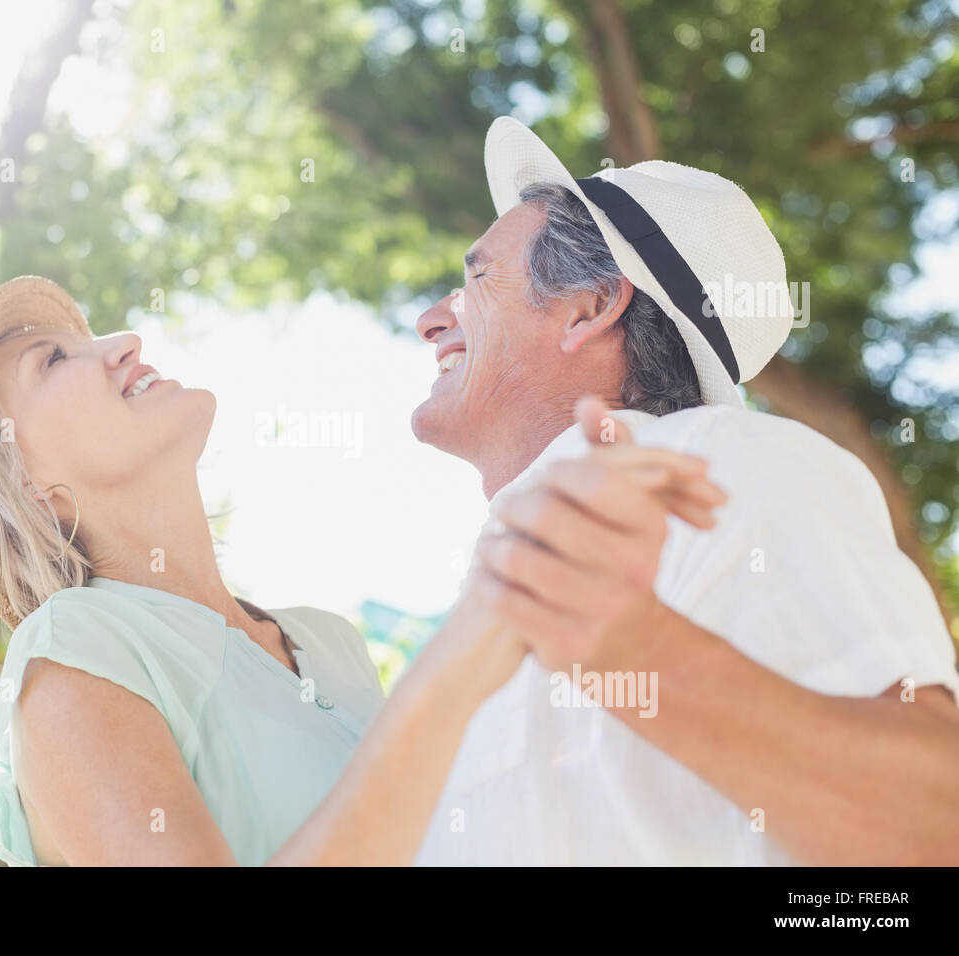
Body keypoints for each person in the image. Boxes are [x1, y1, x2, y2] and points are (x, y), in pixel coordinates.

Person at [0, 275, 725, 865]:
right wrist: (472, 647)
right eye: (54, 362)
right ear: (30, 484)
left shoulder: (328, 642)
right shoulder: (75, 650)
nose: (121, 341)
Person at [409, 116, 959, 865]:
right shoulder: (499, 574)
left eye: (475, 280)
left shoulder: (726, 464)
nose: (429, 321)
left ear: (590, 307)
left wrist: (629, 647)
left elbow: (931, 825)